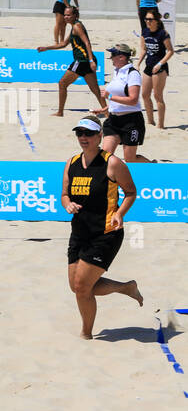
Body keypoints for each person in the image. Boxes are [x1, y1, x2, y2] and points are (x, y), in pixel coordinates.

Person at [62, 117, 142, 339]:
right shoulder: (72, 162)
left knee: (82, 287)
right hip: (79, 232)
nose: (83, 138)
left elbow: (131, 192)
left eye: (88, 133)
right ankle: (125, 287)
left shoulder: (112, 163)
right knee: (76, 286)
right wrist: (67, 203)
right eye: (79, 133)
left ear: (99, 136)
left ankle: (86, 333)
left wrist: (119, 213)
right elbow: (64, 194)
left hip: (105, 233)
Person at [37, 5, 105, 117]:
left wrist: (91, 60)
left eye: (68, 15)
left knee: (62, 83)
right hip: (86, 61)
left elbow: (87, 43)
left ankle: (60, 112)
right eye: (65, 15)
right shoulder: (75, 26)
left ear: (75, 15)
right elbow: (64, 44)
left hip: (82, 61)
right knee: (95, 90)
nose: (65, 17)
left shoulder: (77, 27)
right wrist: (46, 48)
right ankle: (106, 112)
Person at [98, 43, 151, 163]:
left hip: (131, 121)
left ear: (121, 57)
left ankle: (152, 167)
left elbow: (133, 100)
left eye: (113, 55)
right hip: (113, 120)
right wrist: (106, 108)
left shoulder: (132, 74)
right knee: (105, 155)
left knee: (130, 159)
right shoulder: (117, 72)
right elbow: (120, 98)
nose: (110, 57)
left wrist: (109, 96)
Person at [137, 12, 173, 130]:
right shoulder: (145, 32)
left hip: (160, 68)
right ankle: (150, 121)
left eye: (150, 19)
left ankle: (160, 125)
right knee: (145, 95)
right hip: (148, 66)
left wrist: (160, 64)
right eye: (146, 19)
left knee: (158, 96)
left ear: (157, 20)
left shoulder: (163, 34)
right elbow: (143, 49)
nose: (147, 21)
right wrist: (138, 63)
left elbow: (170, 51)